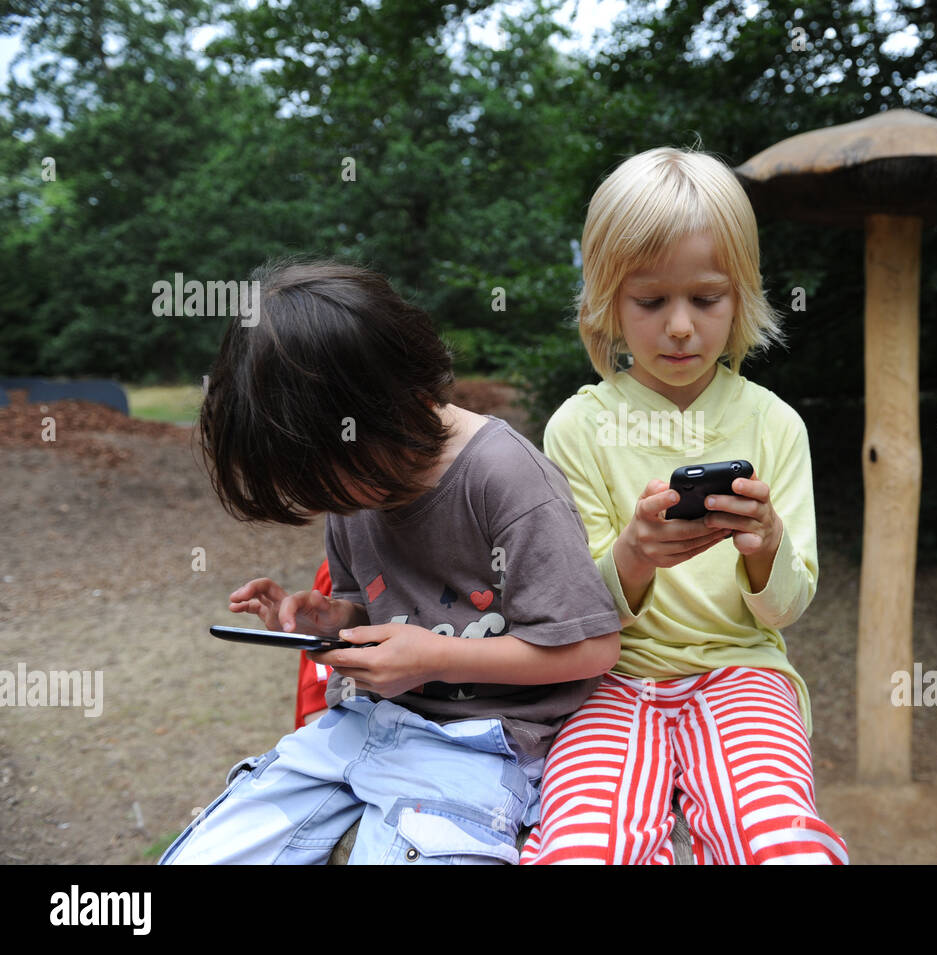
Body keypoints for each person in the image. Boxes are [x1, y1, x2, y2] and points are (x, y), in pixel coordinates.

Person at [160, 260, 622, 865]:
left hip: (480, 743)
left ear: (390, 409)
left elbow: (592, 647)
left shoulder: (505, 479)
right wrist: (324, 618)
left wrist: (434, 658)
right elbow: (369, 606)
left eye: (326, 482)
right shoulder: (355, 486)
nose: (327, 503)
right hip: (360, 724)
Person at [519, 147, 849, 864]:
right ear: (606, 299)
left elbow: (784, 609)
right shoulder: (577, 428)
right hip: (609, 678)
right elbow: (576, 609)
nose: (678, 326)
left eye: (705, 299)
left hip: (743, 674)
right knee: (582, 847)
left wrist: (764, 546)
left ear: (743, 297)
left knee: (778, 842)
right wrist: (633, 554)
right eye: (650, 301)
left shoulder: (774, 425)